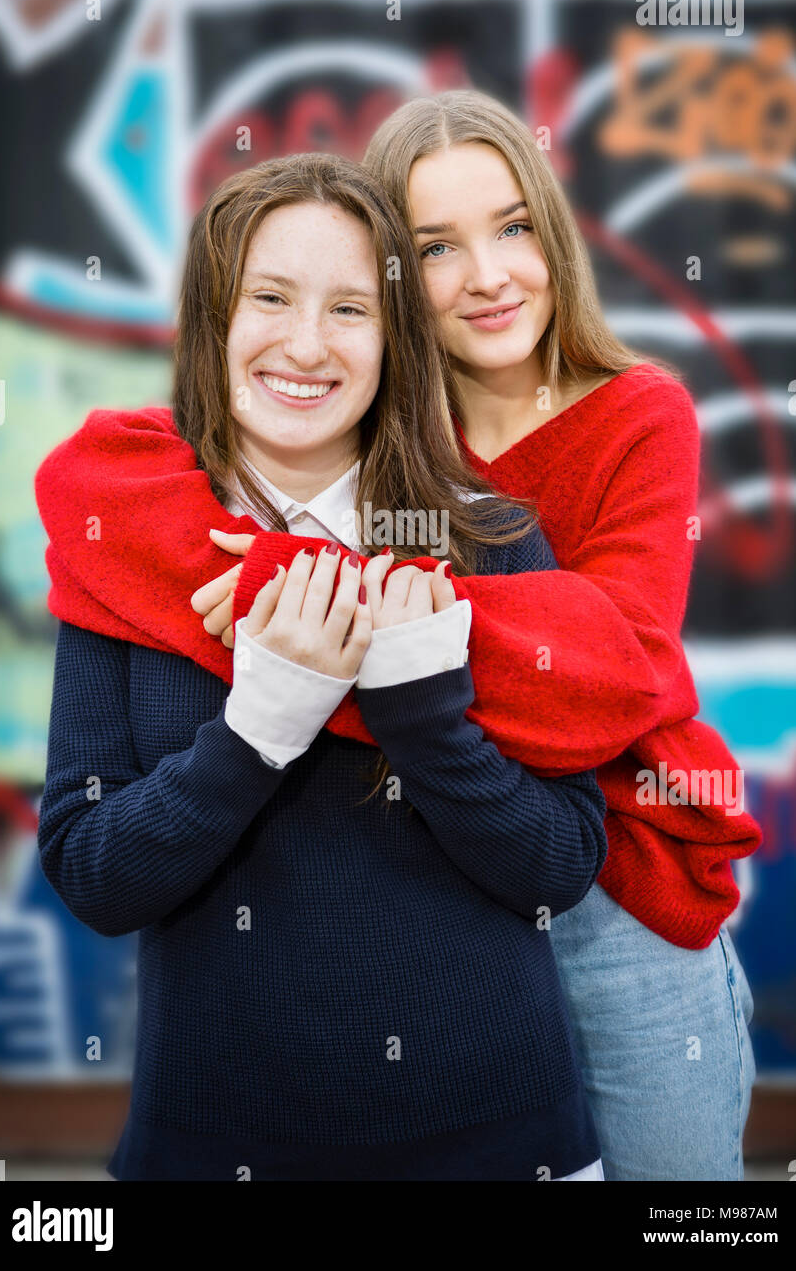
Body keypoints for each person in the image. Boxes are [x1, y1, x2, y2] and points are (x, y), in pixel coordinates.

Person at [36, 153, 608, 1181]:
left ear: (395, 340)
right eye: (268, 297)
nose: (305, 344)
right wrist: (259, 728)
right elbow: (94, 875)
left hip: (500, 1150)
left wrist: (424, 716)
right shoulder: (121, 546)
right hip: (213, 1151)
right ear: (214, 317)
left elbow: (557, 869)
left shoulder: (489, 542)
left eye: (350, 308)